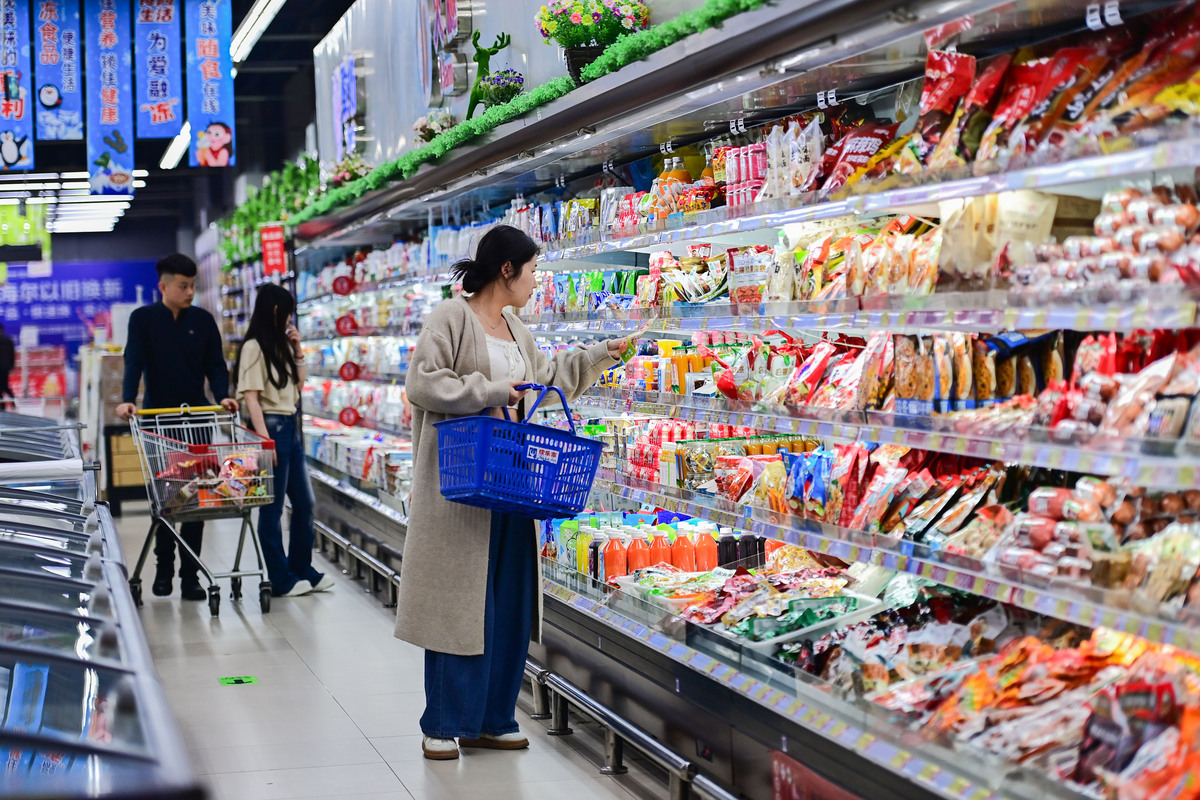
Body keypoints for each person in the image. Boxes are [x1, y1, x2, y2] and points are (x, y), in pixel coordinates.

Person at [393, 225, 630, 761]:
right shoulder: (451, 317)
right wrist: (492, 391)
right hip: (459, 486)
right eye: (533, 271)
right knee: (458, 605)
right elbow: (423, 383)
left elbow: (547, 381)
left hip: (510, 480)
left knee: (507, 600)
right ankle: (443, 722)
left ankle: (492, 719)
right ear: (506, 270)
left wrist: (603, 353)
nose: (537, 281)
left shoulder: (516, 328)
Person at [116, 254, 238, 601]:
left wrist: (222, 396)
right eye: (183, 286)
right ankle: (164, 568)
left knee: (196, 498)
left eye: (192, 285)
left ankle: (190, 576)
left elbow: (216, 365)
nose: (190, 292)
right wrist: (128, 399)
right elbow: (133, 361)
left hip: (197, 419)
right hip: (159, 420)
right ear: (163, 286)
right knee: (166, 498)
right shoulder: (143, 320)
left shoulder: (203, 320)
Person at [233, 284, 331, 598]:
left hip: (289, 425)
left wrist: (298, 349)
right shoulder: (253, 347)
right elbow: (251, 397)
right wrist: (264, 440)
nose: (290, 318)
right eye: (287, 311)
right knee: (271, 507)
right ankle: (279, 577)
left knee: (304, 503)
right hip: (270, 427)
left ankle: (301, 569)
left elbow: (298, 384)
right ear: (276, 311)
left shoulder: (282, 344)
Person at [0, 322, 14, 408]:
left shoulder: (7, 340)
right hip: (6, 366)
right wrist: (11, 365)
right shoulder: (8, 339)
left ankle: (3, 404)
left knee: (2, 385)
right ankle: (12, 400)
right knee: (4, 385)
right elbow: (12, 354)